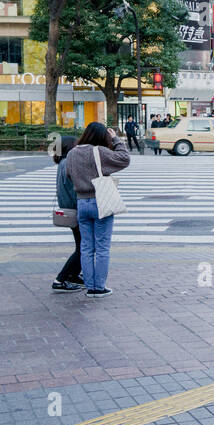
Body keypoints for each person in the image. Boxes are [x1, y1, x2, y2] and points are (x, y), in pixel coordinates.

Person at [64, 122, 131, 298]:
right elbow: (124, 158)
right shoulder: (98, 152)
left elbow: (68, 175)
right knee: (102, 247)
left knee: (86, 247)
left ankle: (89, 286)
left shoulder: (72, 153)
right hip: (100, 201)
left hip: (82, 203)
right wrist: (116, 139)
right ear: (101, 137)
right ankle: (99, 287)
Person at [50, 135, 83, 293]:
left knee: (82, 246)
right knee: (84, 247)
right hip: (75, 210)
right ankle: (60, 279)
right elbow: (75, 189)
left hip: (69, 210)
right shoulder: (68, 163)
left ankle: (73, 275)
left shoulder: (61, 163)